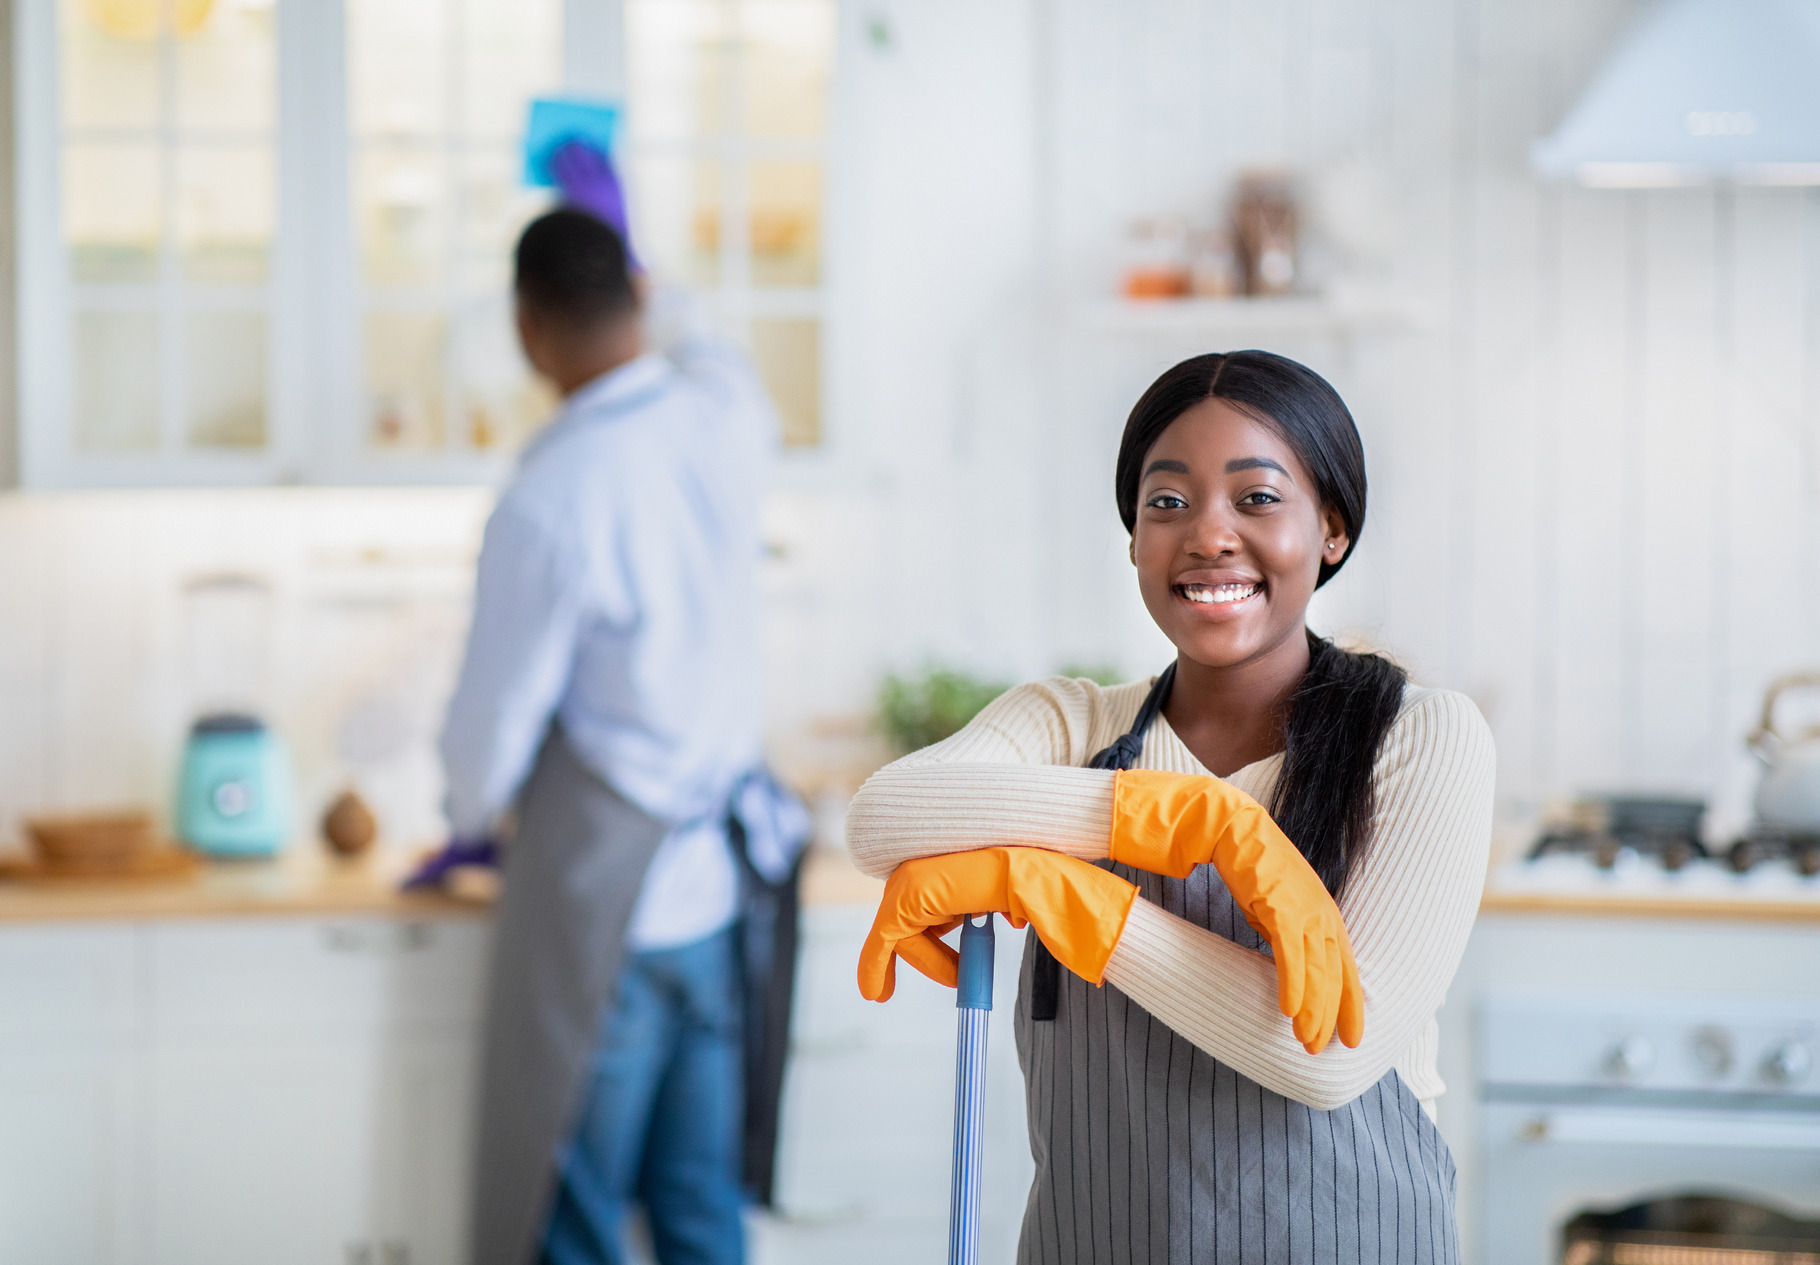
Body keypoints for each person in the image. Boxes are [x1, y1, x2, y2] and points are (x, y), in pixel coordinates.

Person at [846, 351, 1495, 1263]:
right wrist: (1188, 818)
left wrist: (1062, 889)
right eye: (1168, 502)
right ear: (1134, 541)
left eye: (1257, 499)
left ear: (1333, 530)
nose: (1208, 535)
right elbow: (883, 819)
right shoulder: (1070, 722)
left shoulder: (1421, 738)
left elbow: (1327, 1057)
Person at [432, 153, 780, 1265]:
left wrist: (468, 820)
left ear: (527, 330)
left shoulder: (548, 493)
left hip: (605, 917)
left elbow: (490, 728)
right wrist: (629, 237)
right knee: (699, 1212)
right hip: (716, 892)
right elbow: (704, 329)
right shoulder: (727, 416)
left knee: (571, 1218)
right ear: (636, 294)